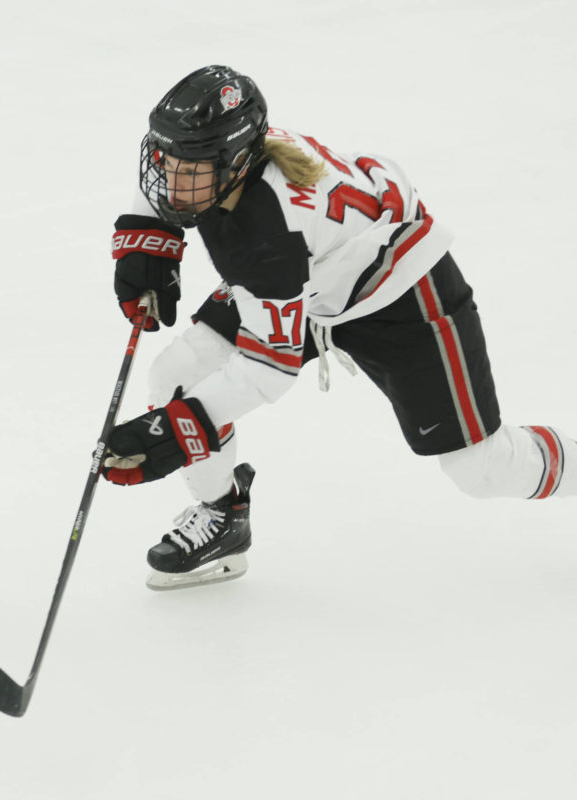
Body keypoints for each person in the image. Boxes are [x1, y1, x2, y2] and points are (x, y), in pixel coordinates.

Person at [102, 64, 575, 591]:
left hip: (401, 295)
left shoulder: (266, 239)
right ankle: (224, 517)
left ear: (233, 161)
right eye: (164, 159)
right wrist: (147, 231)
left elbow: (269, 369)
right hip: (317, 274)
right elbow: (176, 174)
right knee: (177, 374)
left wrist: (182, 428)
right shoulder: (232, 168)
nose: (168, 180)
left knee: (482, 469)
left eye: (186, 168)